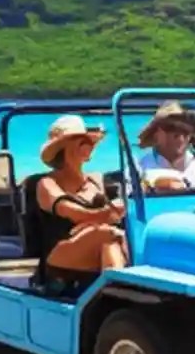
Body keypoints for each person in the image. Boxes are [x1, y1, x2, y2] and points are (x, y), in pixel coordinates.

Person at [35, 114, 128, 275]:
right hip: (60, 250)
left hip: (102, 240)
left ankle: (116, 293)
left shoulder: (96, 179)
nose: (89, 146)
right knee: (104, 233)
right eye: (82, 142)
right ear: (63, 148)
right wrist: (108, 214)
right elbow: (76, 214)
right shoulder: (47, 183)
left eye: (90, 142)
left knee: (111, 244)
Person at [136, 100, 195, 191]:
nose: (179, 135)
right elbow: (124, 200)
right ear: (156, 134)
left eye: (185, 130)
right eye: (171, 127)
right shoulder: (139, 169)